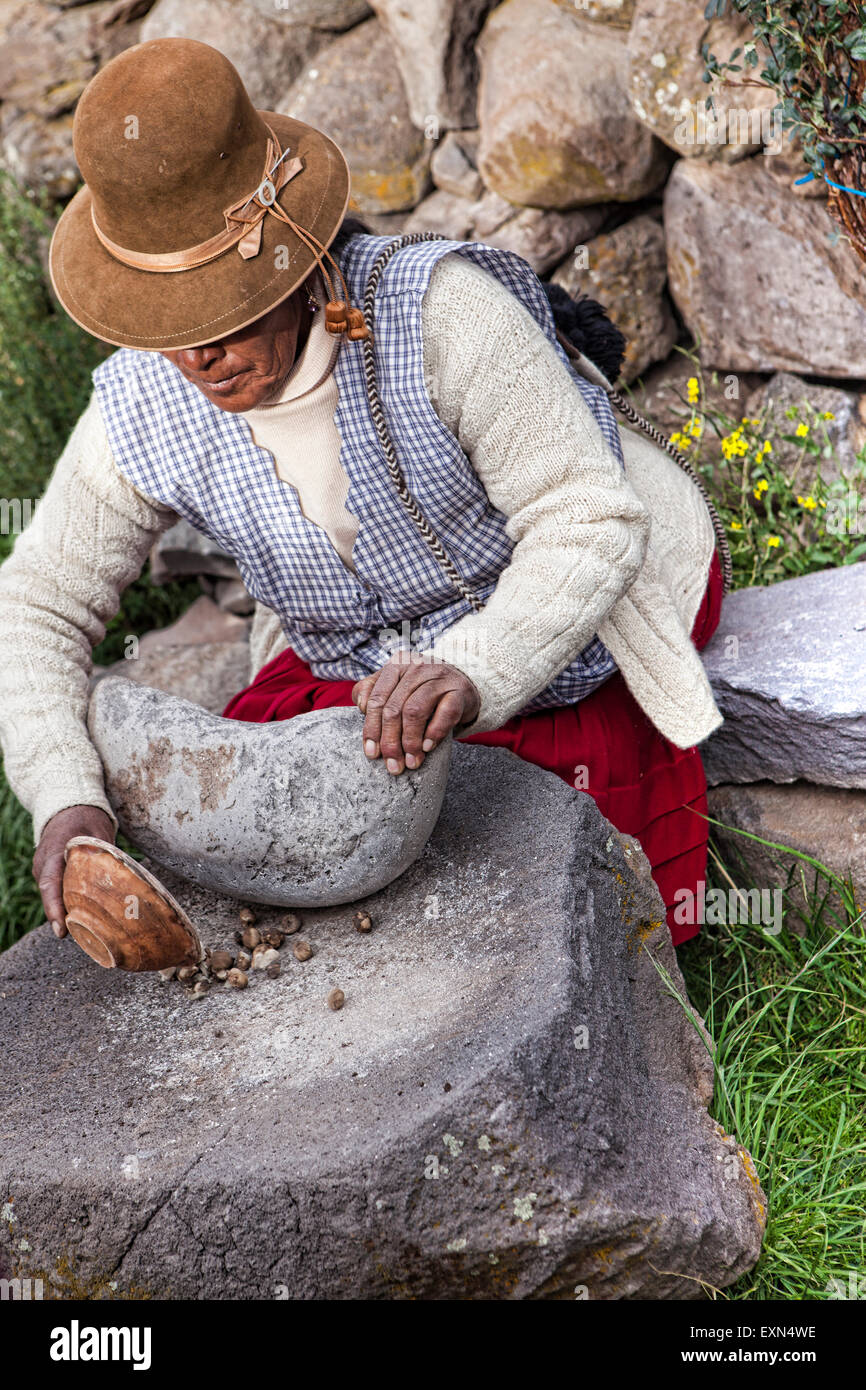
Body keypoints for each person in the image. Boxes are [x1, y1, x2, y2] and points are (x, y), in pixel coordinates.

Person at [0, 38, 724, 950]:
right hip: (372, 634)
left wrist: (473, 668)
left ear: (298, 260)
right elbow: (34, 605)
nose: (197, 358)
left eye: (222, 314)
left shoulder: (437, 315)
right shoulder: (144, 401)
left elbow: (587, 518)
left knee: (529, 835)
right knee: (277, 811)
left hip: (582, 589)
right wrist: (63, 794)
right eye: (166, 326)